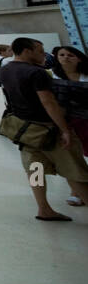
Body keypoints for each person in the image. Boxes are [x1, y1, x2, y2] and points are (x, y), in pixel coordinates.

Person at [0, 38, 88, 221]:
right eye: (39, 51)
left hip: (26, 130)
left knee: (35, 169)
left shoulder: (5, 70)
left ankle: (43, 208)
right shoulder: (37, 73)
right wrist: (64, 129)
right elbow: (48, 102)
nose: (43, 55)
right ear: (26, 51)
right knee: (74, 170)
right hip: (49, 130)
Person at [49, 46, 88, 206]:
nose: (66, 58)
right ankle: (77, 191)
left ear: (79, 58)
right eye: (62, 55)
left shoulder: (86, 76)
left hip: (85, 121)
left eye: (70, 55)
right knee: (73, 156)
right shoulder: (52, 76)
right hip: (67, 122)